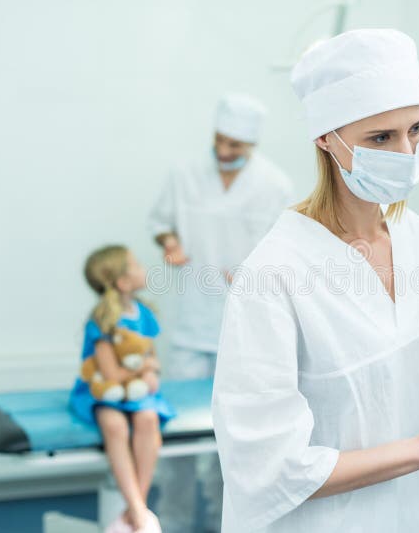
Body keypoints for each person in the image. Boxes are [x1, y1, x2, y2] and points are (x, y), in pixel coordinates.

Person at [212, 29, 419, 532]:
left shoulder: (417, 238)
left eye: (415, 129)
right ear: (326, 138)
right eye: (380, 137)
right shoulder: (274, 274)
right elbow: (267, 468)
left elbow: (401, 398)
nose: (405, 151)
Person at [148, 93, 293, 532]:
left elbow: (282, 249)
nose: (225, 152)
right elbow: (161, 223)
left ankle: (223, 523)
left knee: (233, 441)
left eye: (236, 146)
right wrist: (169, 244)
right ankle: (170, 521)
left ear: (252, 145)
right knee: (175, 440)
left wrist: (256, 273)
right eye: (220, 141)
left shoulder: (275, 184)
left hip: (243, 328)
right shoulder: (184, 173)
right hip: (192, 321)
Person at [69, 245, 174, 533]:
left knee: (148, 419)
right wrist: (146, 369)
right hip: (107, 391)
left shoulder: (143, 313)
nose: (143, 268)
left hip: (137, 392)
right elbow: (113, 374)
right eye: (136, 264)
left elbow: (152, 358)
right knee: (114, 425)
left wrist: (152, 372)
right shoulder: (102, 320)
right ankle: (140, 513)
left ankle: (134, 507)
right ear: (122, 282)